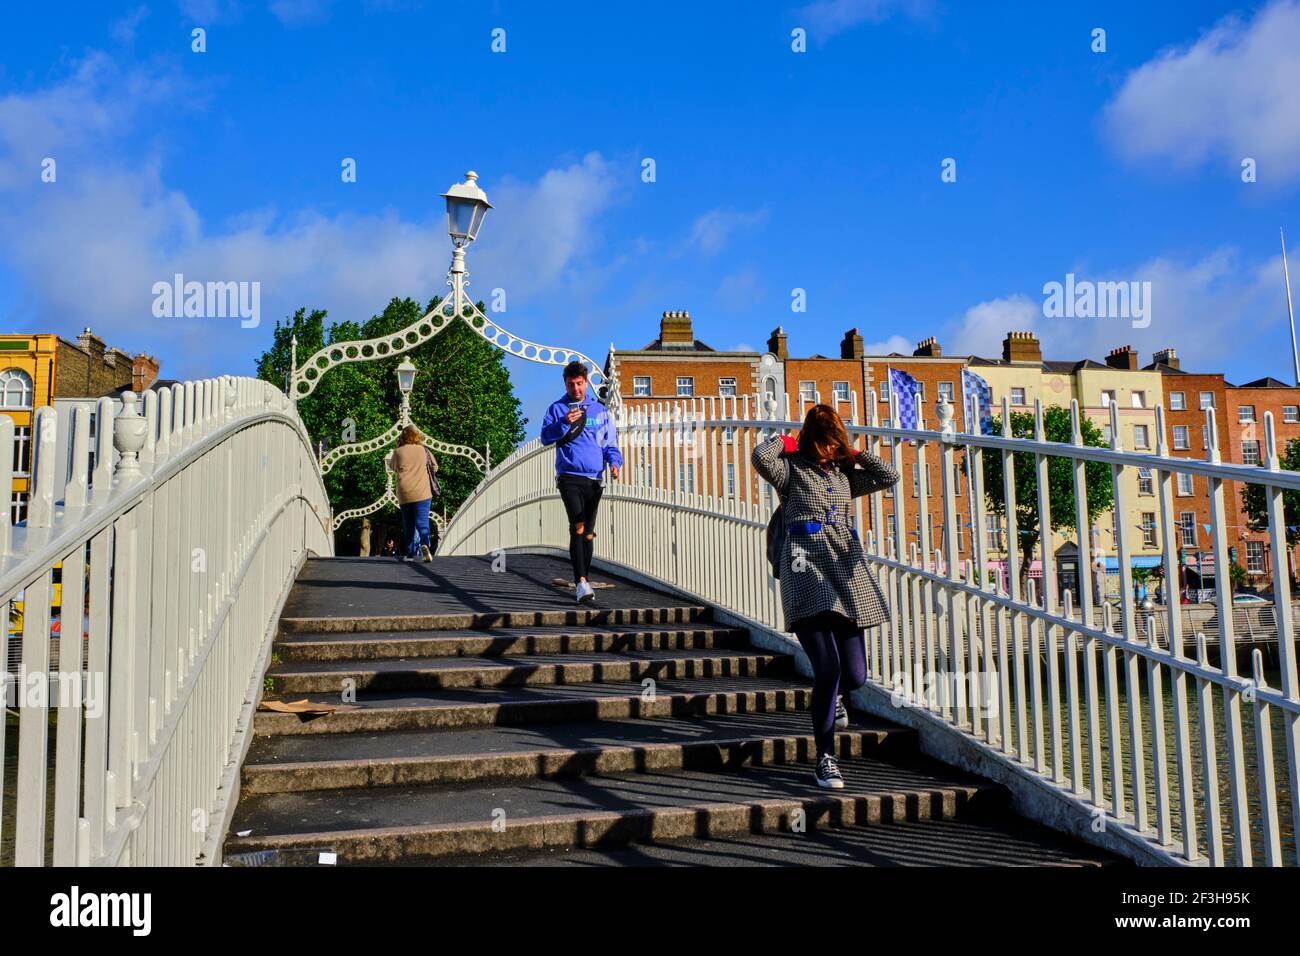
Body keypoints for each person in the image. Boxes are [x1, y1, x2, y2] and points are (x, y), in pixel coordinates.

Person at [751, 404, 900, 789]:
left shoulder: (844, 475)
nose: (824, 451)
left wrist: (852, 453)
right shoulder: (790, 469)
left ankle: (835, 695)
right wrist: (787, 441)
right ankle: (825, 759)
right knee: (829, 668)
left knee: (855, 675)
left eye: (831, 443)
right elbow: (760, 456)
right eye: (821, 443)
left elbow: (889, 475)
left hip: (844, 568)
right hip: (804, 568)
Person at [539, 360, 623, 605]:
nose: (575, 388)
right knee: (577, 525)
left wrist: (615, 463)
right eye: (571, 384)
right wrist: (564, 422)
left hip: (594, 478)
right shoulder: (556, 409)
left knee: (587, 534)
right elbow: (545, 437)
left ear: (586, 382)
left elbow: (610, 444)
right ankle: (581, 582)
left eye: (579, 383)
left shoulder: (599, 411)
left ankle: (584, 579)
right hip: (569, 476)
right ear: (565, 384)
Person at [390, 425, 440, 562]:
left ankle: (410, 553)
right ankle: (425, 544)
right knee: (422, 522)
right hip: (423, 492)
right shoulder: (424, 450)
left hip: (404, 492)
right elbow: (435, 468)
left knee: (408, 523)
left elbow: (392, 467)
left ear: (403, 437)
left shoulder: (398, 451)